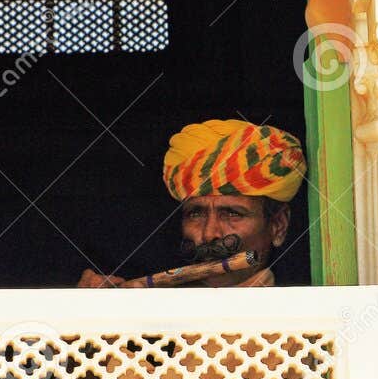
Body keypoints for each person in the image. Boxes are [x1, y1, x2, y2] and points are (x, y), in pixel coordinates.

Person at [78, 118, 306, 289]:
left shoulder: (305, 320)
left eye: (232, 214)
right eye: (196, 214)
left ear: (278, 226)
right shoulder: (161, 309)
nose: (208, 234)